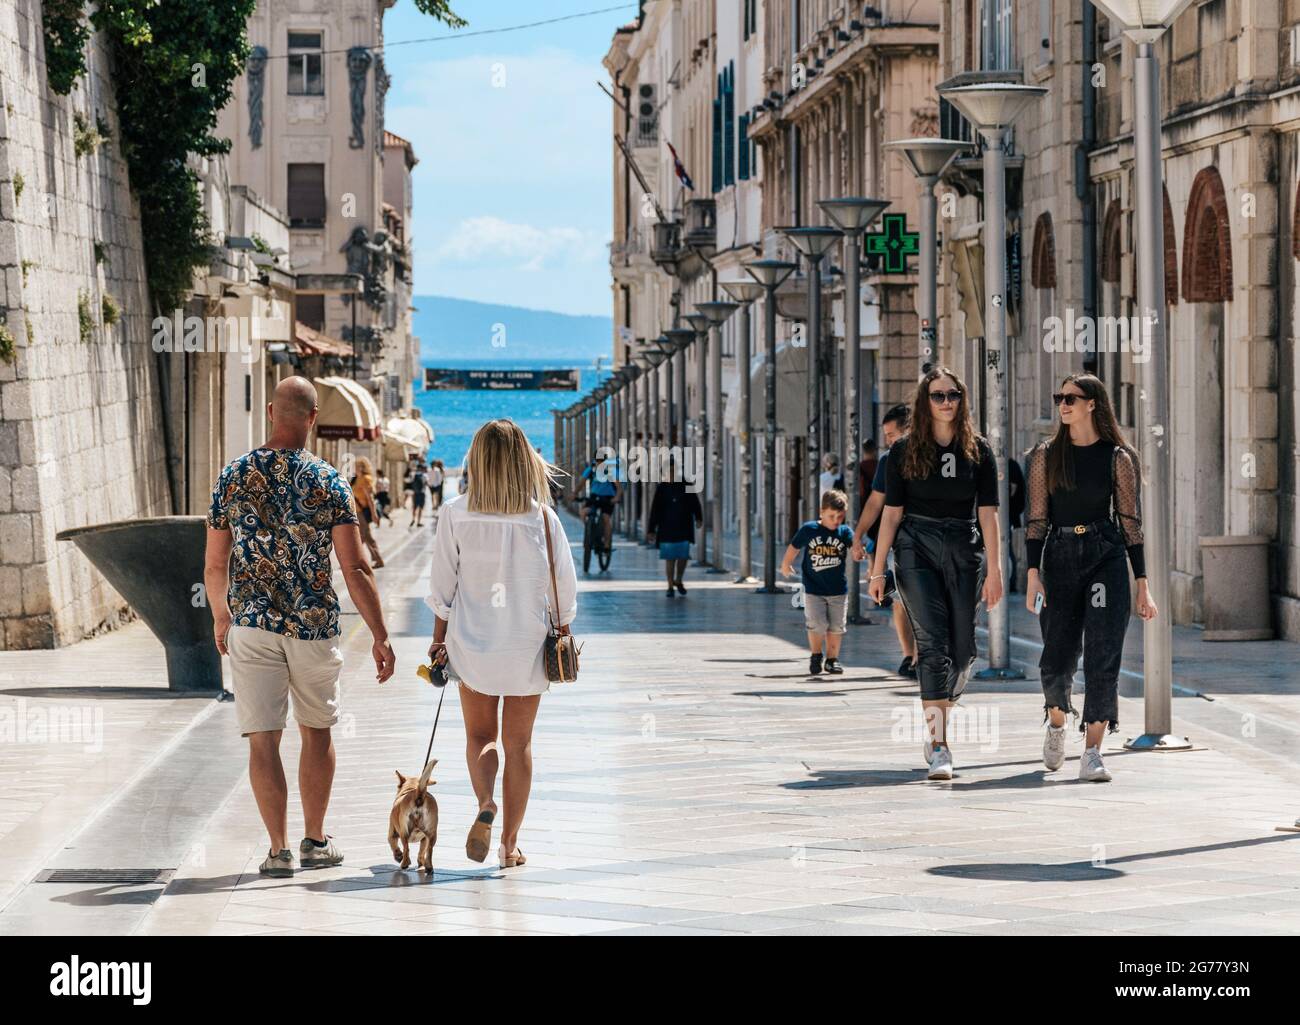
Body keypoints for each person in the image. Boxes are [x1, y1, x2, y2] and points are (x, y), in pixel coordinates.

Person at [204, 377, 396, 877]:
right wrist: (380, 634)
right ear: (312, 418)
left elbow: (213, 564)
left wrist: (222, 616)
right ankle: (315, 839)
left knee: (262, 737)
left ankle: (278, 850)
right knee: (317, 731)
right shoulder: (329, 480)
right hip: (313, 626)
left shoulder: (233, 476)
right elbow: (355, 568)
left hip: (251, 622)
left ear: (271, 412)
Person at [426, 419, 578, 869]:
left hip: (472, 644)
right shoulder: (543, 518)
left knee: (480, 737)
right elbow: (563, 590)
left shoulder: (454, 513)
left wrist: (438, 641)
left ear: (478, 461)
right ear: (522, 462)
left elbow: (443, 587)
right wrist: (563, 629)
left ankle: (486, 801)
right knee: (519, 743)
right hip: (526, 646)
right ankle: (509, 845)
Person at [867, 367, 1003, 782]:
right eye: (937, 396)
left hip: (964, 547)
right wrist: (877, 572)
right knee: (932, 645)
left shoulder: (979, 451)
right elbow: (890, 515)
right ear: (924, 403)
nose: (946, 402)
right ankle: (940, 745)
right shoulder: (903, 452)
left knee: (963, 653)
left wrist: (995, 569)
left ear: (962, 401)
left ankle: (940, 707)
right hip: (916, 547)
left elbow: (989, 514)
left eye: (953, 395)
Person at [1025, 374, 1157, 784]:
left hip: (1105, 554)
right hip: (1059, 557)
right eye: (1059, 396)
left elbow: (1131, 523)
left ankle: (1093, 752)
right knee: (1056, 659)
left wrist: (1142, 583)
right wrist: (1033, 574)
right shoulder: (1046, 456)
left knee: (1103, 656)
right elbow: (1036, 520)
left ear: (1091, 405)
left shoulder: (1118, 457)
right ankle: (1058, 723)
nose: (1063, 404)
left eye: (1071, 398)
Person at [851, 405, 917, 678]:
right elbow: (875, 502)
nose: (888, 440)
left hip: (932, 540)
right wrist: (857, 534)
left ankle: (925, 656)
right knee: (900, 601)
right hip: (900, 542)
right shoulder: (889, 461)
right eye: (886, 435)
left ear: (908, 428)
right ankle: (909, 655)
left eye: (892, 434)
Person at [782, 490, 856, 676]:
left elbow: (856, 546)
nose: (836, 520)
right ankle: (816, 655)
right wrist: (786, 564)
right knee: (816, 623)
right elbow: (794, 547)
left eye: (840, 516)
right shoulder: (809, 529)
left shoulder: (844, 532)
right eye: (832, 516)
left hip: (838, 590)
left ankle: (832, 659)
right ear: (821, 512)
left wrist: (860, 552)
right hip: (813, 589)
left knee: (837, 626)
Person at [647, 460, 703, 597]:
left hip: (684, 526)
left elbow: (695, 502)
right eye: (668, 471)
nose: (671, 473)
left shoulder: (686, 484)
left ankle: (679, 579)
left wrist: (698, 517)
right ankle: (670, 585)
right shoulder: (661, 488)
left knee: (683, 557)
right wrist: (651, 529)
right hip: (666, 527)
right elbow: (655, 509)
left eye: (673, 470)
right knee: (670, 559)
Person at [581, 451, 621, 551]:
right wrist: (574, 494)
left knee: (605, 518)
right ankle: (589, 532)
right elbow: (581, 483)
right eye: (598, 460)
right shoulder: (591, 470)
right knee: (583, 512)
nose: (599, 463)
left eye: (602, 461)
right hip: (594, 497)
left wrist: (616, 497)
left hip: (608, 498)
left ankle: (607, 544)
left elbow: (619, 487)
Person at [351, 457, 385, 568]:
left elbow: (370, 498)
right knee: (361, 537)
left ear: (361, 467)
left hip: (362, 512)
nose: (354, 468)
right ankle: (355, 559)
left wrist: (374, 514)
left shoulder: (366, 479)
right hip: (357, 512)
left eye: (356, 466)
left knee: (366, 535)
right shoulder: (356, 479)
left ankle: (378, 559)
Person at [858, 439, 878, 512]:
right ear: (875, 450)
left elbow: (861, 491)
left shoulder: (859, 468)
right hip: (880, 507)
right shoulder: (880, 466)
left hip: (865, 506)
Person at [409, 460, 428, 528]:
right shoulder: (424, 475)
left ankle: (413, 519)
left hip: (415, 493)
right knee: (420, 508)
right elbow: (426, 484)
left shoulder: (413, 474)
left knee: (414, 507)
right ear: (422, 469)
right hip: (422, 493)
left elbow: (410, 482)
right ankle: (418, 522)